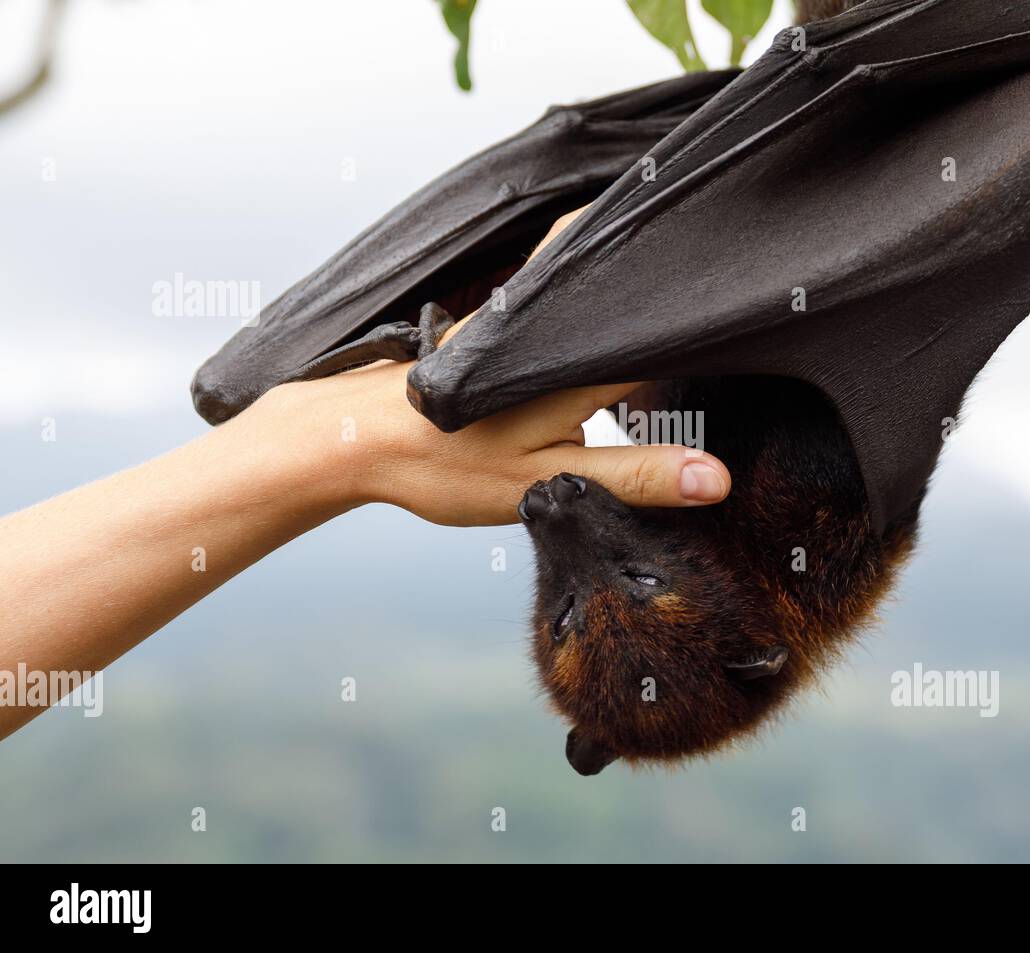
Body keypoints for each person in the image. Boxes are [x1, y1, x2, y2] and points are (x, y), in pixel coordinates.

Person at [0, 210, 731, 741]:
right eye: (640, 583)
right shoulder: (801, 524)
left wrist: (328, 436)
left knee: (225, 392)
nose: (565, 527)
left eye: (565, 611)